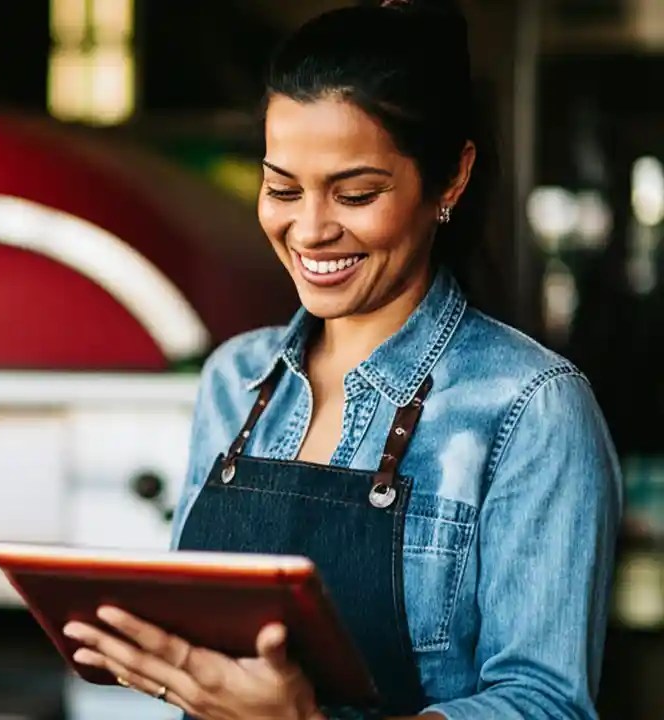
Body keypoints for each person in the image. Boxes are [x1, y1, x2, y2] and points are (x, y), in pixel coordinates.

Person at [60, 1, 623, 718]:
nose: (312, 229)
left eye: (357, 194)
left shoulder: (530, 408)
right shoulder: (235, 380)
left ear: (450, 180)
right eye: (282, 188)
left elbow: (548, 705)